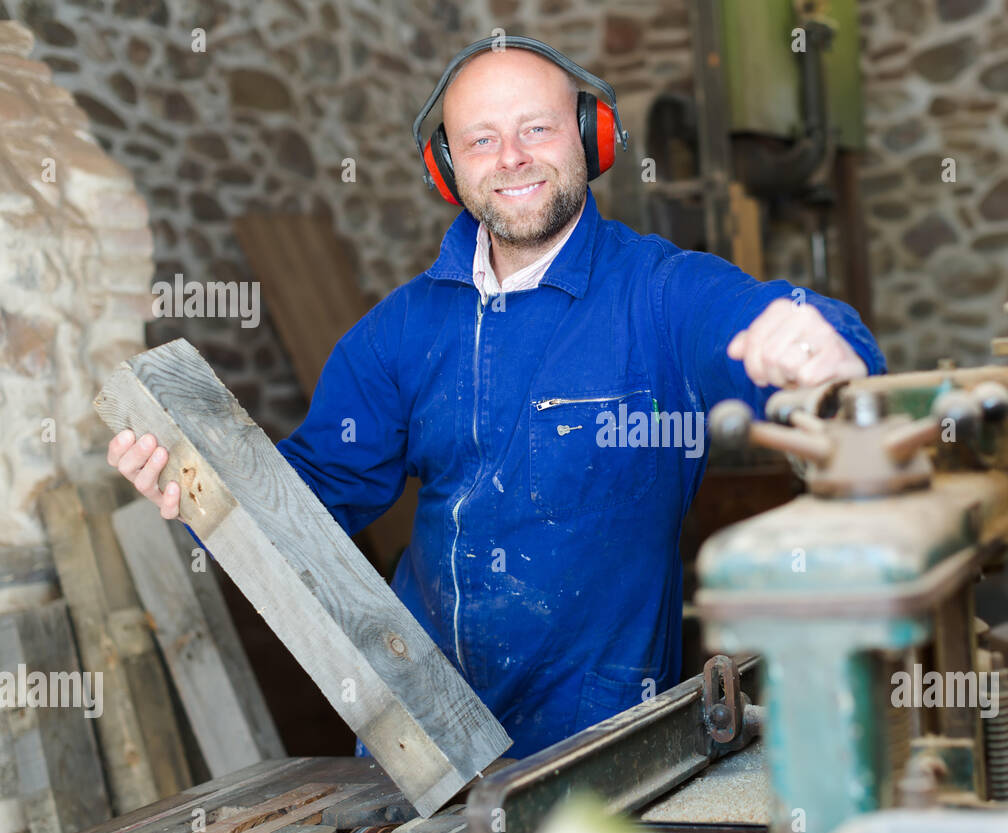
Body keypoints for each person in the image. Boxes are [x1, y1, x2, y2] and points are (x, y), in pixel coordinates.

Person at [108, 36, 885, 758]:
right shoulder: (400, 331)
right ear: (448, 166)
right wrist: (199, 488)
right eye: (481, 139)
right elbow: (310, 497)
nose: (510, 159)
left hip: (600, 739)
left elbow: (772, 328)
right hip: (420, 743)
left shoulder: (662, 295)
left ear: (590, 136)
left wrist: (819, 345)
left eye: (537, 129)